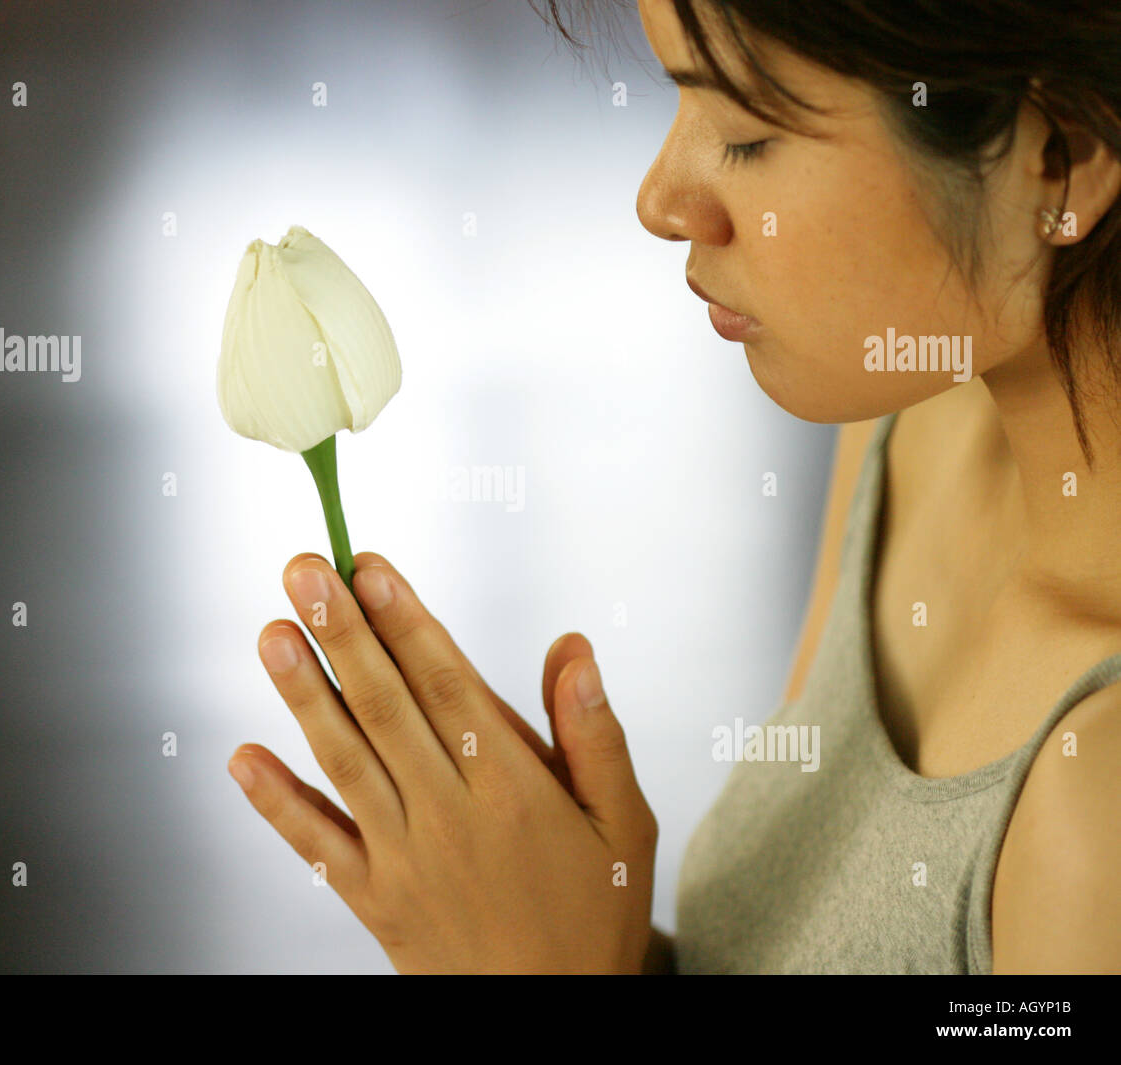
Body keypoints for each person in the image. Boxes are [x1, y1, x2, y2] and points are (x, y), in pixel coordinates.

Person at [226, 0, 1121, 973]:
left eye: (742, 133)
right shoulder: (916, 422)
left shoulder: (1095, 809)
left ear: (1057, 160)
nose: (657, 201)